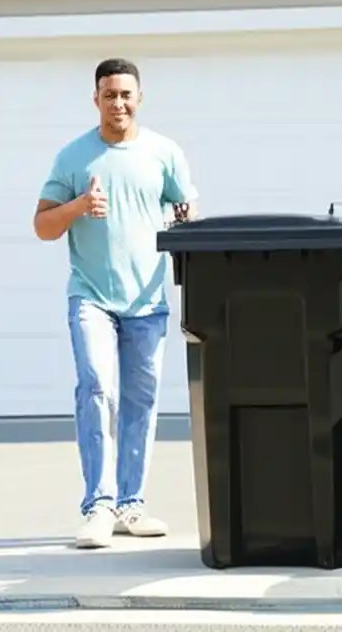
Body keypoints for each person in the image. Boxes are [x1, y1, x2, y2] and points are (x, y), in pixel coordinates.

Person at [33, 58, 199, 549]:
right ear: (96, 99)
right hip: (92, 297)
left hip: (148, 300)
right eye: (109, 95)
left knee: (140, 402)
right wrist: (78, 206)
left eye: (126, 94)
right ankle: (99, 506)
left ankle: (131, 504)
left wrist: (187, 217)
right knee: (97, 389)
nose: (118, 103)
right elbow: (42, 226)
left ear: (139, 98)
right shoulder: (73, 157)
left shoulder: (164, 153)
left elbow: (187, 208)